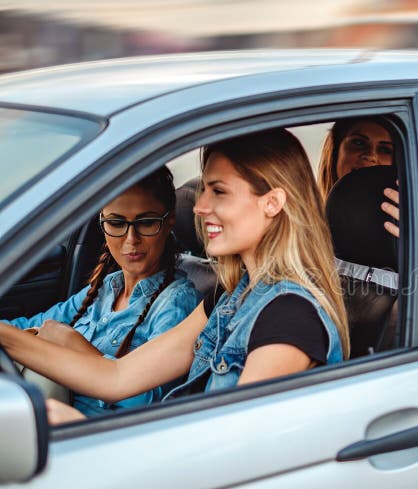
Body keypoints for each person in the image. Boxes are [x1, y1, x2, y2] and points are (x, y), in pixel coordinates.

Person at [0, 128, 350, 424]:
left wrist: (86, 430)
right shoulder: (229, 298)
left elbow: (230, 448)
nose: (198, 207)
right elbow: (117, 377)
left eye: (219, 191)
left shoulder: (290, 319)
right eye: (205, 191)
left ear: (272, 202)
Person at [1, 167, 200, 416]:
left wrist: (76, 345)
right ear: (102, 224)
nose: (131, 239)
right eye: (116, 223)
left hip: (94, 436)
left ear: (169, 222)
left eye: (146, 222)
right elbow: (28, 325)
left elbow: (152, 403)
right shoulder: (106, 288)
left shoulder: (176, 303)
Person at [317, 117, 401, 237]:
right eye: (358, 142)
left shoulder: (410, 221)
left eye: (384, 149)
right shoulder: (305, 224)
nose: (370, 155)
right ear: (335, 153)